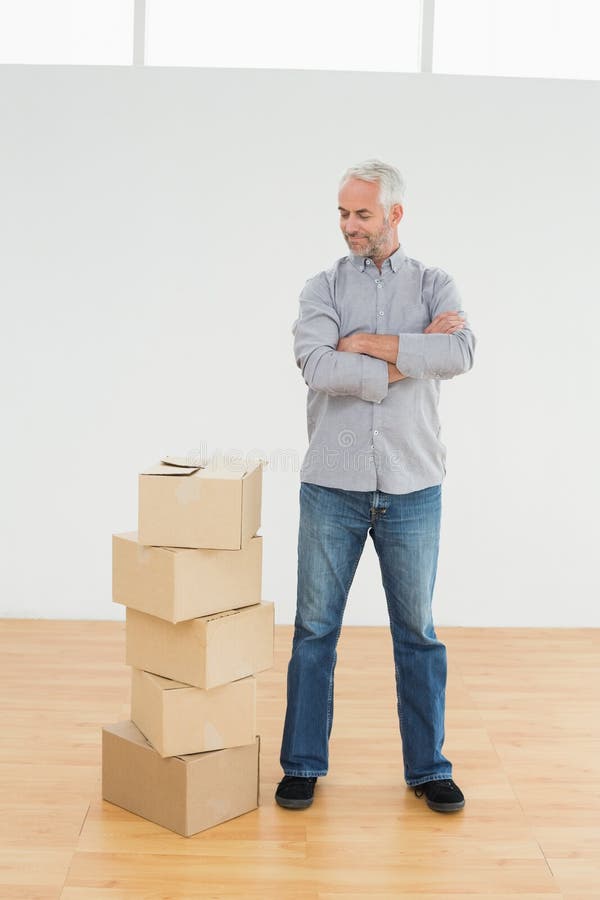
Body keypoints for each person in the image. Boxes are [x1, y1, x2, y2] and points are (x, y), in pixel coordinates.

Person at [275, 159, 476, 814]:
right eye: (342, 212)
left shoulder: (434, 283)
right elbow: (316, 365)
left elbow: (462, 353)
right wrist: (409, 355)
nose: (348, 225)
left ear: (394, 214)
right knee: (314, 631)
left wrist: (374, 343)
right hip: (332, 484)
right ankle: (302, 762)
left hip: (414, 484)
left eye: (361, 213)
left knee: (417, 631)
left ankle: (429, 768)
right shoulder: (322, 288)